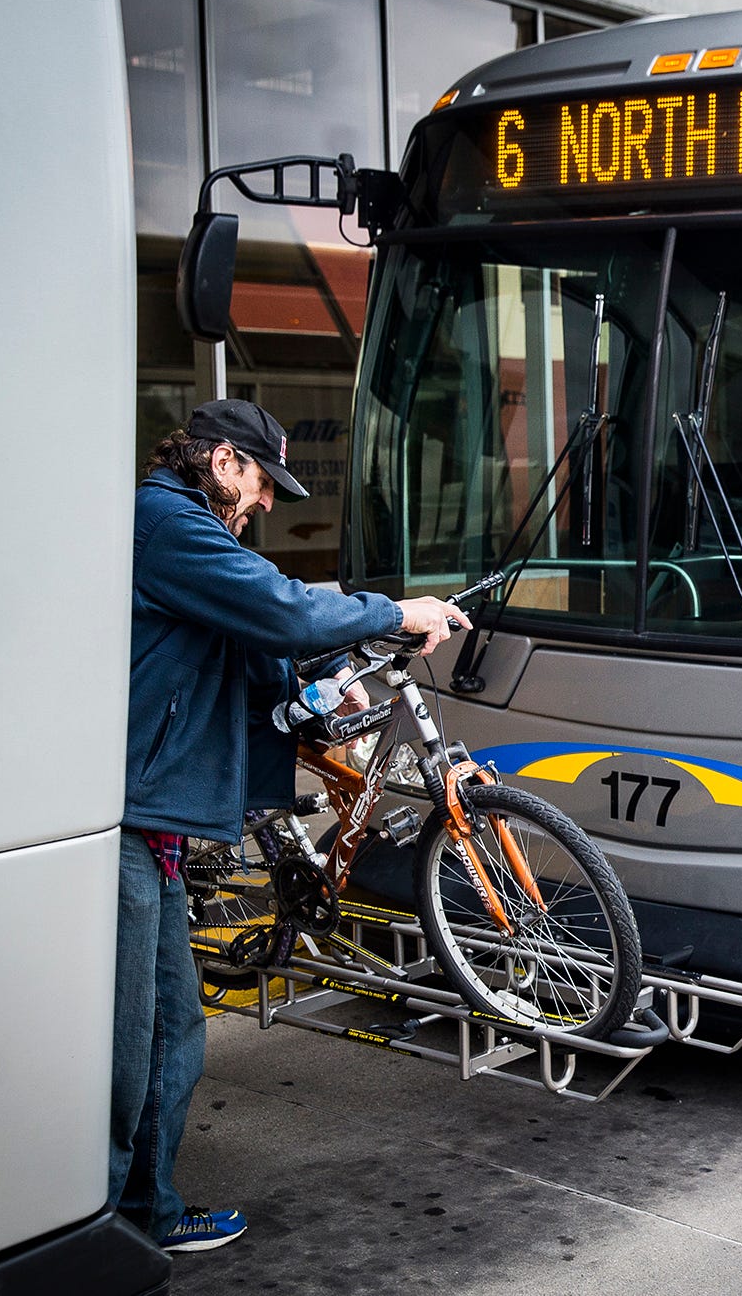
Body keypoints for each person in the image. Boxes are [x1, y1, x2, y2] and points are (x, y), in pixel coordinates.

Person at [114, 399, 468, 1253]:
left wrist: (331, 676)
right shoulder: (164, 521)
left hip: (154, 820)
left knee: (169, 1025)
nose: (270, 502)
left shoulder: (192, 527)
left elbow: (257, 636)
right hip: (126, 821)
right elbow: (280, 609)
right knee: (137, 1039)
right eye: (265, 481)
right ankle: (99, 1229)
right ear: (226, 459)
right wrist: (391, 610)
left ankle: (140, 1216)